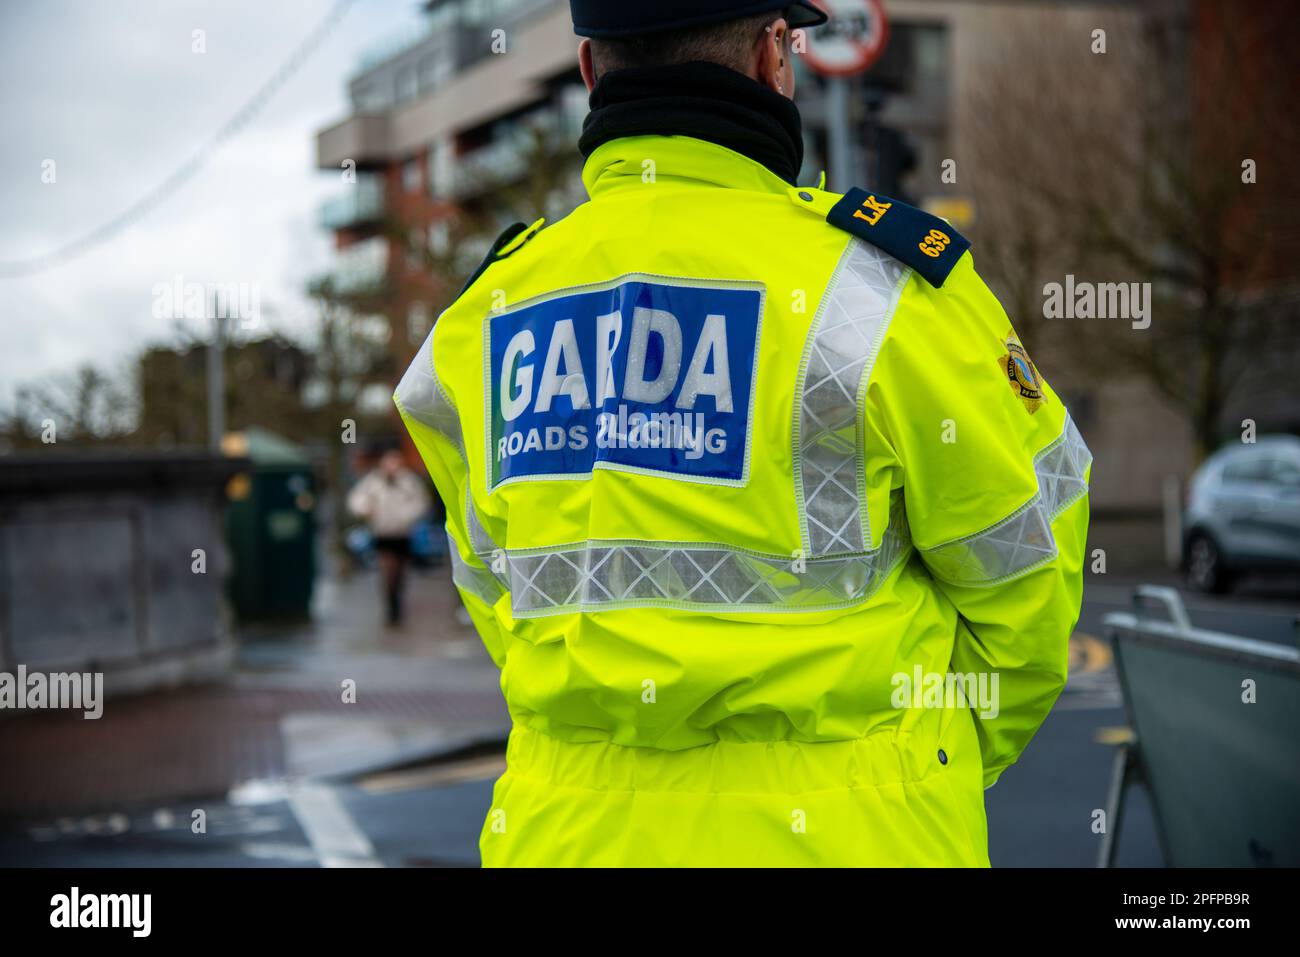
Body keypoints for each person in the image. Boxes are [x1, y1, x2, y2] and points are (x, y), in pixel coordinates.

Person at [395, 0, 1091, 866]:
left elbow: (498, 589)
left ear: (587, 70)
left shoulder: (483, 317)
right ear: (773, 57)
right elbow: (1026, 569)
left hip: (562, 837)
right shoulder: (881, 291)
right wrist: (931, 760)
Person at [346, 448, 430, 626]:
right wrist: (366, 510)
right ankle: (391, 604)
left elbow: (420, 504)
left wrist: (405, 518)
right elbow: (357, 500)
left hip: (402, 533)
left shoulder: (409, 481)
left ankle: (396, 600)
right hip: (382, 533)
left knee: (400, 571)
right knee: (387, 569)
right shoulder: (372, 482)